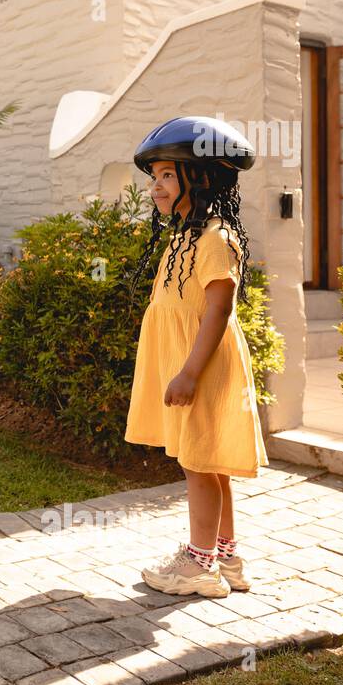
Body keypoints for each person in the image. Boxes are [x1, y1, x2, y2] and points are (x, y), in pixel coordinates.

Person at [125, 116, 268, 598]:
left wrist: (188, 372)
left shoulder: (215, 239)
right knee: (210, 460)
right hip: (191, 363)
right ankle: (226, 556)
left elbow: (219, 310)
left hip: (203, 366)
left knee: (198, 464)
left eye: (167, 175)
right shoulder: (187, 235)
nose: (156, 187)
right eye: (155, 177)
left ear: (201, 178)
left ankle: (198, 563)